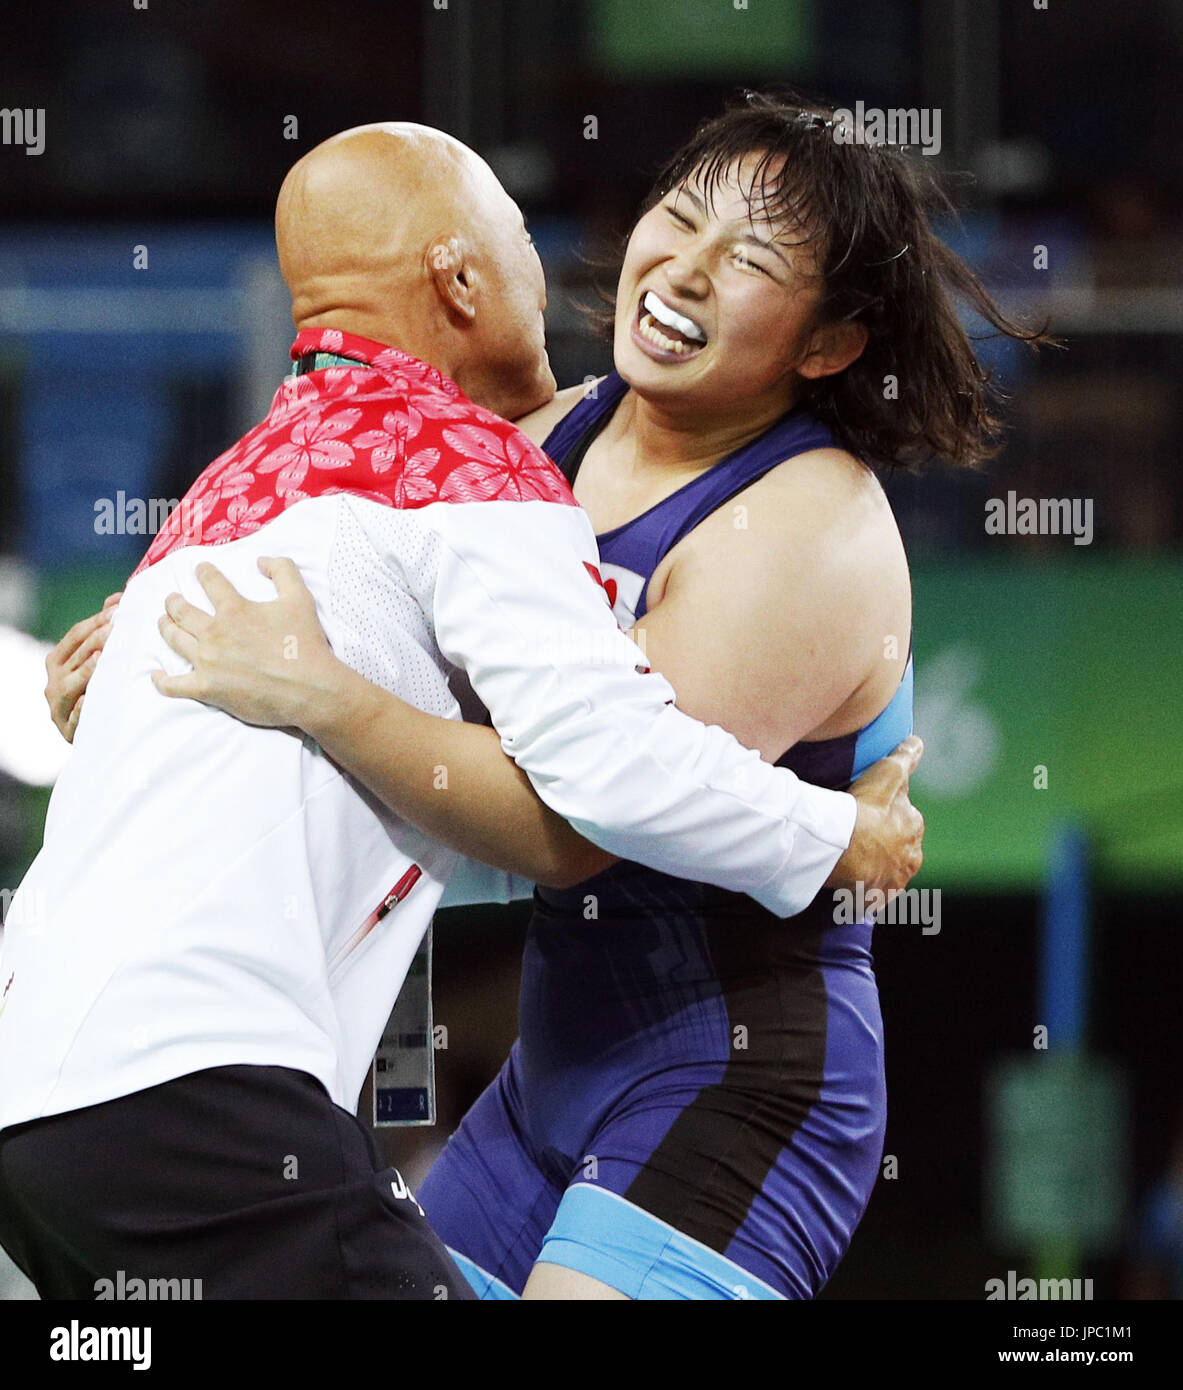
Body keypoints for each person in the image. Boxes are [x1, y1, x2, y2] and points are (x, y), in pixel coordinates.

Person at [124, 94, 1043, 1301]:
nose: (687, 269)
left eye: (752, 259)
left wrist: (326, 699)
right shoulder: (544, 437)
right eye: (684, 216)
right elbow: (319, 535)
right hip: (544, 1079)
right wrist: (138, 620)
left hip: (744, 1083)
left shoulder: (807, 528)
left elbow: (578, 829)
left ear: (826, 345)